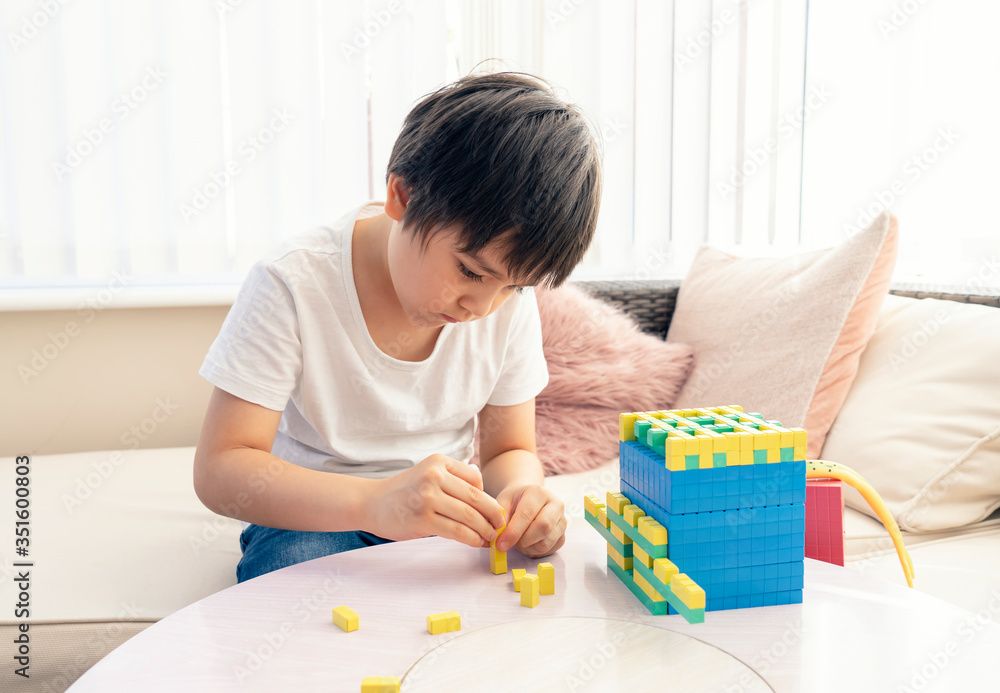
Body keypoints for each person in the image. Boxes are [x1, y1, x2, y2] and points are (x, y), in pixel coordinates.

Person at [193, 71, 603, 582]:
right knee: (293, 585)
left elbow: (508, 450)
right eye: (471, 271)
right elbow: (221, 469)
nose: (483, 306)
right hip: (316, 514)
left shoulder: (503, 304)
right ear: (402, 197)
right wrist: (375, 503)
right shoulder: (293, 282)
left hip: (449, 513)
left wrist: (523, 495)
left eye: (512, 287)